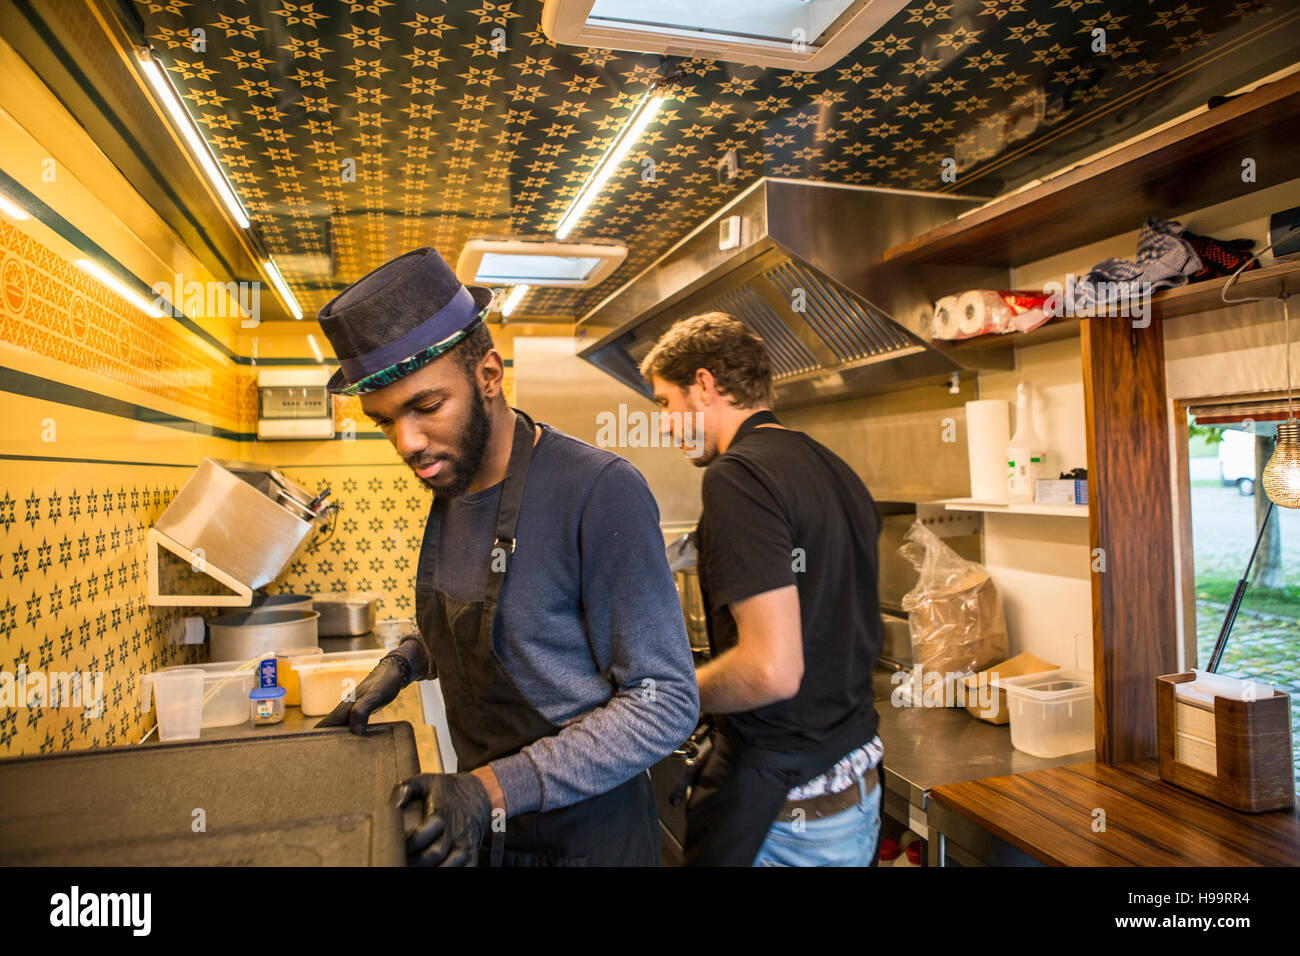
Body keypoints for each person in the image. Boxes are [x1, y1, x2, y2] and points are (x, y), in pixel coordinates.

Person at [314, 248, 698, 866]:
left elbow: (667, 700)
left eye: (426, 407)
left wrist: (488, 789)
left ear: (488, 374)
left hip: (587, 839)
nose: (407, 442)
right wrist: (405, 662)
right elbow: (505, 623)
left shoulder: (599, 491)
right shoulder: (455, 482)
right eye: (384, 421)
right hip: (491, 839)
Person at [640, 312, 885, 867]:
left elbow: (771, 669)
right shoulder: (834, 468)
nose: (664, 424)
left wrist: (668, 694)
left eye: (663, 403)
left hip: (787, 817)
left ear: (703, 386)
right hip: (855, 793)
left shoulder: (736, 477)